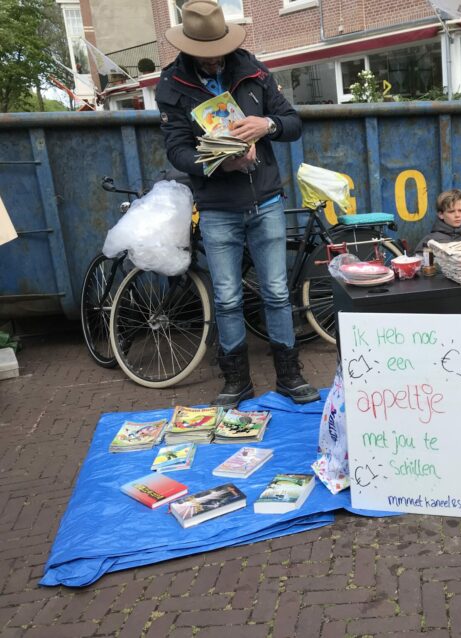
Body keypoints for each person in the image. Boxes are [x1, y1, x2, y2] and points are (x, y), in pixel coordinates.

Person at [155, 0, 319, 407]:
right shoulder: (171, 85)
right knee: (227, 298)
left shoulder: (252, 69)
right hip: (216, 206)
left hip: (266, 200)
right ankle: (236, 381)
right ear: (189, 48)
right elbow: (176, 150)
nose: (214, 61)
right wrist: (216, 164)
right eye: (205, 55)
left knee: (277, 292)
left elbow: (293, 123)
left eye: (219, 52)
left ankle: (289, 375)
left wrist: (268, 124)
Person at [413, 188, 461, 253]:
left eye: (460, 211)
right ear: (441, 214)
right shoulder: (430, 241)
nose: (457, 215)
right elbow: (419, 259)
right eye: (451, 211)